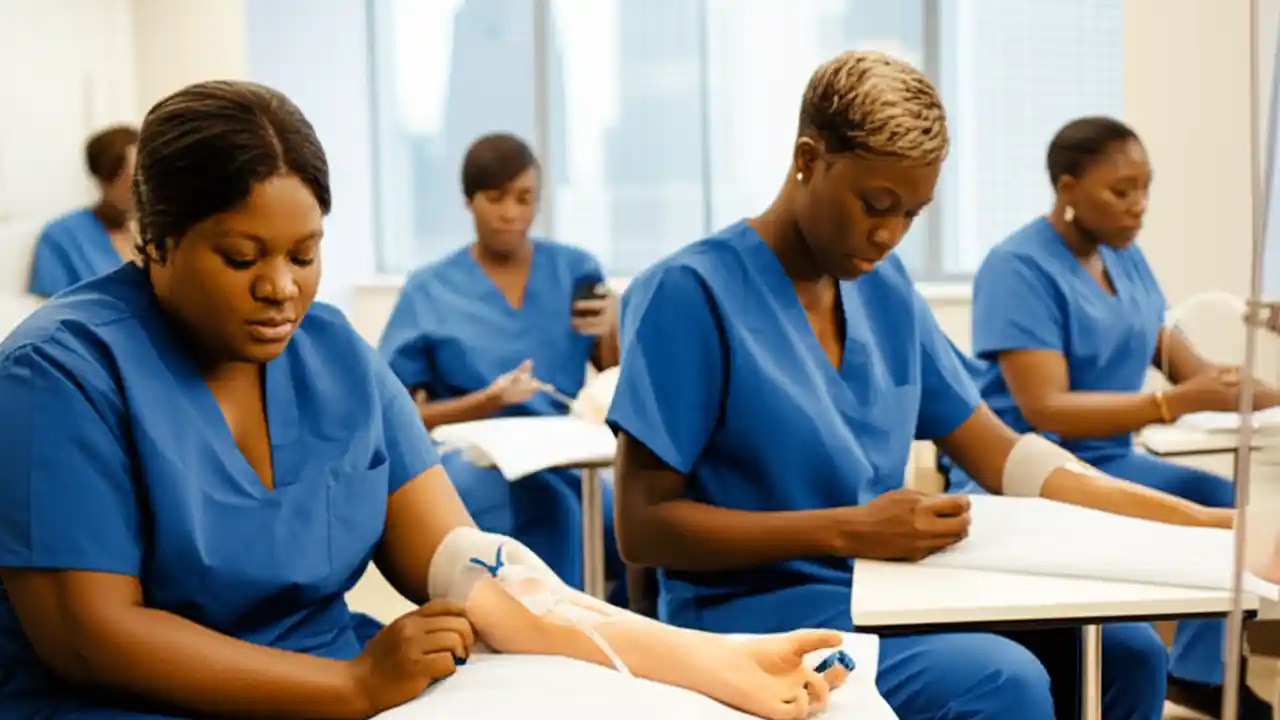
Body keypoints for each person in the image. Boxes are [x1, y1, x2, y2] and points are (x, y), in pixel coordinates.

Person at [0, 79, 856, 720]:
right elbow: (89, 633)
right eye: (240, 257)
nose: (280, 289)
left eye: (304, 253)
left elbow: (476, 574)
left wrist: (714, 663)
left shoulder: (332, 353)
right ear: (155, 240)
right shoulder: (61, 372)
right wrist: (348, 685)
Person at [606, 51, 1234, 720]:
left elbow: (1009, 457)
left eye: (912, 213)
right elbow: (643, 530)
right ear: (808, 159)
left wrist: (1209, 524)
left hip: (892, 591)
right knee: (1001, 680)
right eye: (875, 205)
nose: (888, 235)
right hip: (754, 616)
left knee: (1127, 651)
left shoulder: (885, 291)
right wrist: (846, 531)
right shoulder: (690, 294)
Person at [943, 116, 1277, 717]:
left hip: (1112, 455)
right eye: (1121, 192)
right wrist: (1174, 403)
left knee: (1228, 501)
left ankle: (1200, 672)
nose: (1139, 206)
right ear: (1067, 189)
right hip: (1035, 463)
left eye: (1146, 189)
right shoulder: (1017, 266)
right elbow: (1046, 408)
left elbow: (1161, 341)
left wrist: (1233, 385)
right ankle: (1179, 672)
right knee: (1206, 516)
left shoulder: (1123, 256)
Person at [379, 133, 626, 603]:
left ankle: (616, 647)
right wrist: (486, 402)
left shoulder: (574, 271)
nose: (511, 213)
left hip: (567, 457)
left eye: (524, 199)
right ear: (469, 201)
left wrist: (614, 323)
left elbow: (612, 376)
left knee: (633, 526)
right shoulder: (430, 289)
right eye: (495, 199)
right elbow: (396, 417)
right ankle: (543, 643)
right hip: (469, 457)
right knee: (543, 510)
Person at [27, 125, 139, 298]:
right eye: (132, 178)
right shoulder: (61, 236)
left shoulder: (156, 231)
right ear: (106, 177)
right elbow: (47, 309)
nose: (139, 187)